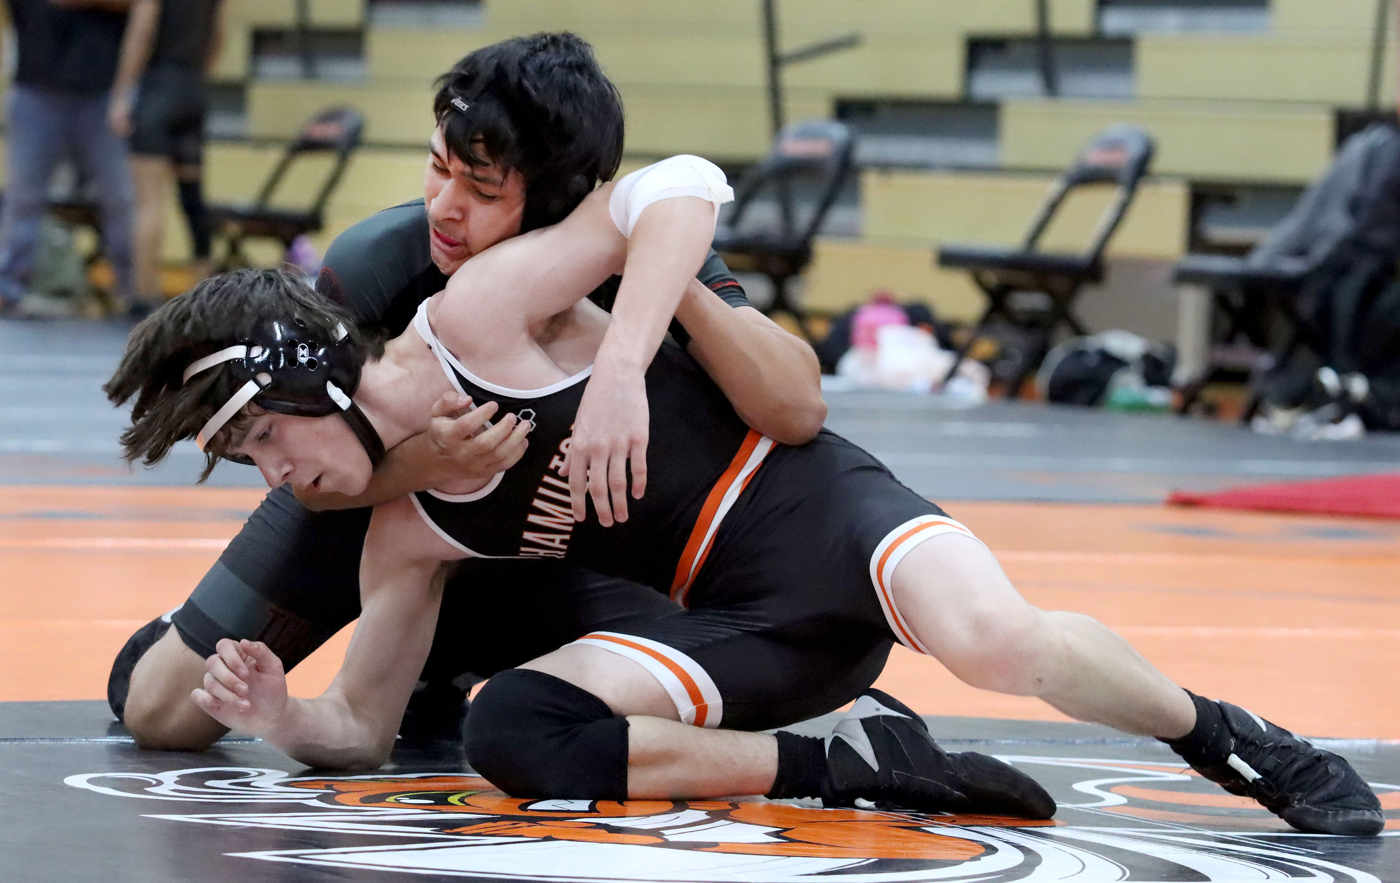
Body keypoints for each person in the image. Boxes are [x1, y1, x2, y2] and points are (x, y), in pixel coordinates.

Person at [108, 154, 1385, 836]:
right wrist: (283, 717)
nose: (271, 477)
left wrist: (616, 369)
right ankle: (857, 769)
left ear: (322, 378)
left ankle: (1226, 738)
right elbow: (363, 728)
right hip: (725, 630)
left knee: (1002, 645)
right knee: (516, 735)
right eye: (251, 462)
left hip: (812, 516)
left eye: (267, 440)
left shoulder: (474, 310)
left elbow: (680, 183)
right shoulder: (400, 524)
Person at [106, 33, 829, 754]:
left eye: (482, 191)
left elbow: (798, 408)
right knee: (163, 710)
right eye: (436, 167)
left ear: (555, 202)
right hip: (377, 514)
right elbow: (312, 472)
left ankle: (447, 656)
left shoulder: (640, 236)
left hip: (568, 528)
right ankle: (378, 638)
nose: (444, 208)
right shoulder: (380, 266)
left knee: (680, 707)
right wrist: (424, 465)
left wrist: (661, 298)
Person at [0, 0, 136, 315]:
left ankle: (131, 289)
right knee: (23, 197)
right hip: (36, 89)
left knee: (119, 198)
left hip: (102, 91)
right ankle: (8, 286)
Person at [107, 0, 225, 311]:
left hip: (158, 88)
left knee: (149, 202)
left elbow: (142, 32)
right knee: (193, 199)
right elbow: (218, 36)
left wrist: (121, 92)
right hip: (193, 88)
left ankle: (144, 295)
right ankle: (206, 295)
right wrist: (197, 77)